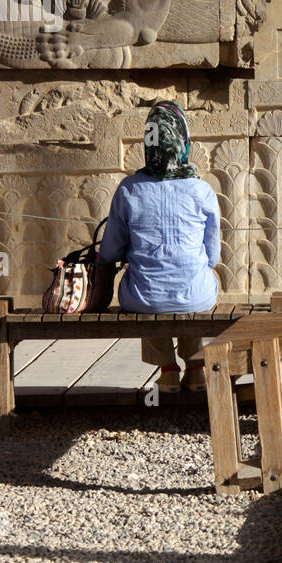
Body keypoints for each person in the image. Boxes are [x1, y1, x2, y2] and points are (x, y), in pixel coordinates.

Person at [99, 101, 221, 392]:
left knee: (146, 286)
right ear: (183, 141)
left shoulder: (129, 189)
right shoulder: (201, 190)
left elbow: (109, 253)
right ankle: (195, 368)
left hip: (144, 299)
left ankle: (167, 370)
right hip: (197, 297)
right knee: (194, 279)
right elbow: (213, 258)